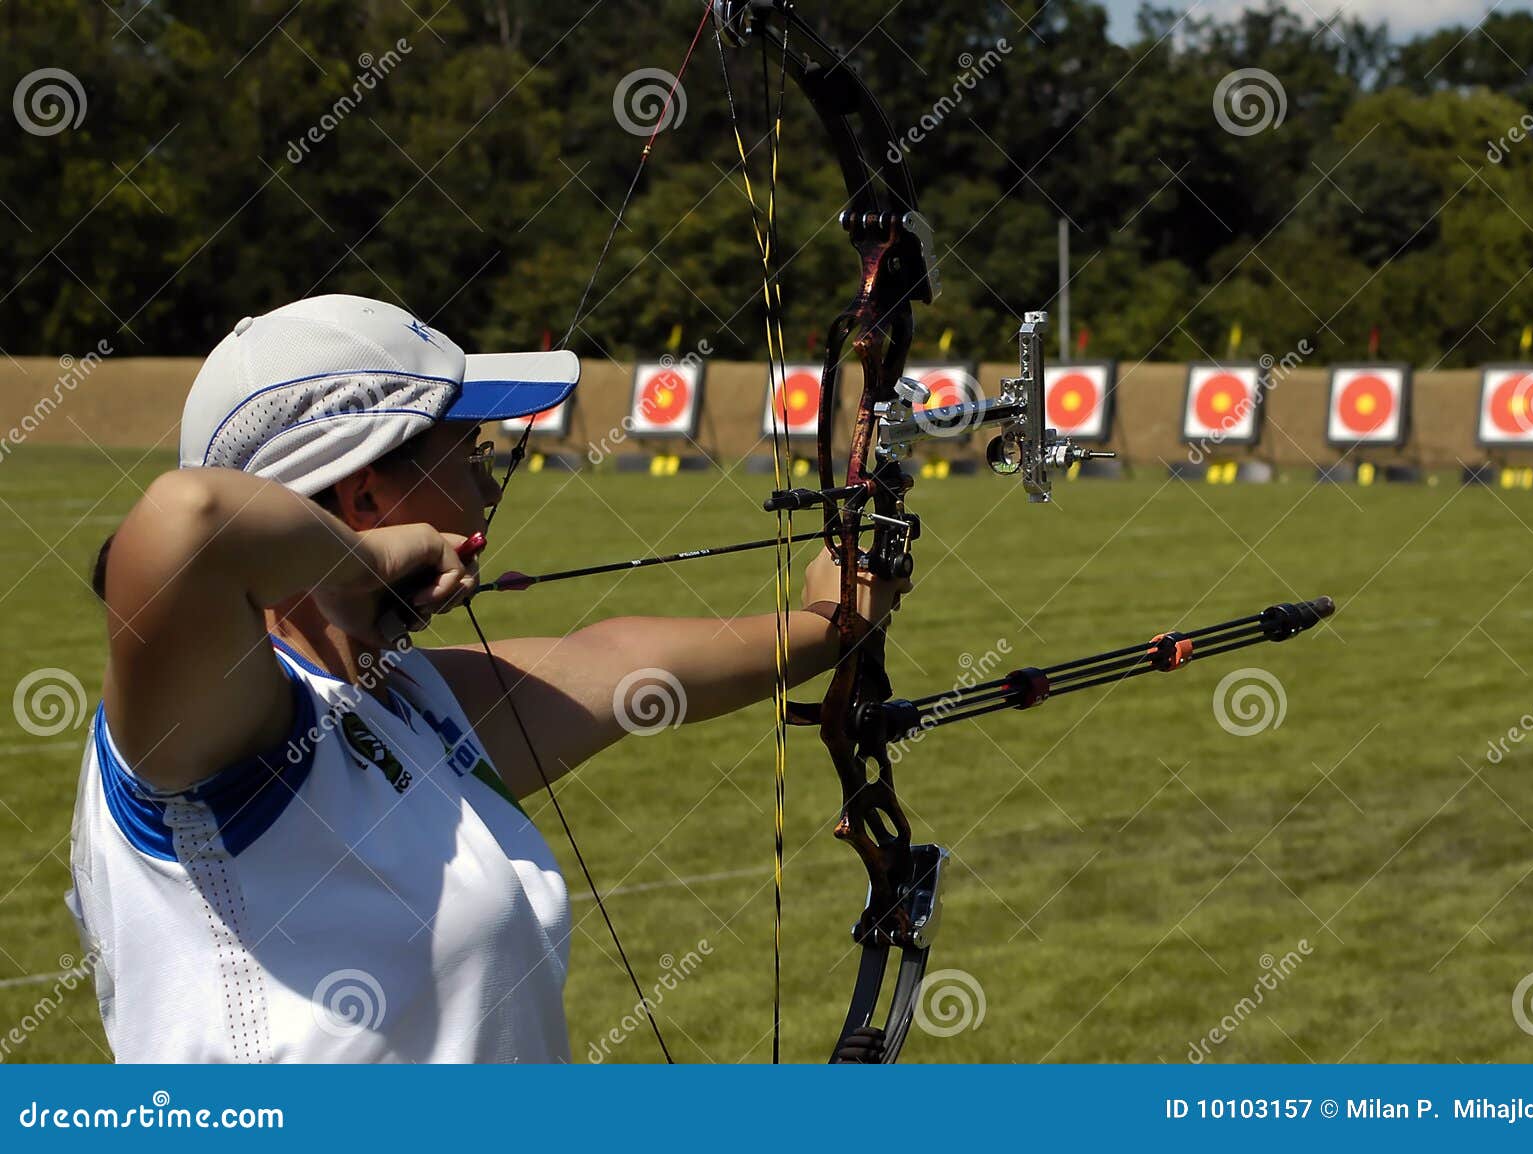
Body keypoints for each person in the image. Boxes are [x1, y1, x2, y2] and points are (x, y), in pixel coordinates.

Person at [65, 295, 905, 1062]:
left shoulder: (407, 700)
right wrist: (369, 561)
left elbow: (620, 667)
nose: (491, 483)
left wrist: (827, 623)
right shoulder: (214, 733)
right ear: (365, 500)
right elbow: (187, 522)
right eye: (471, 456)